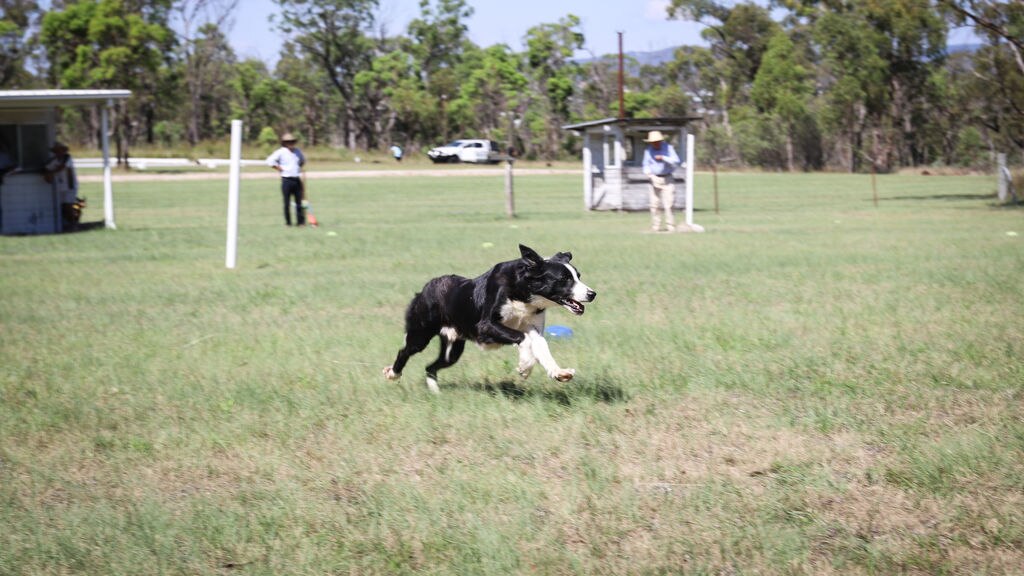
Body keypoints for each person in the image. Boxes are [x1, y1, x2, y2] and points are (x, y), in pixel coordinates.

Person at [641, 130, 681, 233]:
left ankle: (671, 226)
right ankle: (656, 227)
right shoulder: (648, 151)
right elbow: (645, 165)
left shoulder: (668, 148)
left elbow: (676, 160)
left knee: (669, 203)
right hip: (654, 178)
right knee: (654, 204)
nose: (655, 144)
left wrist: (663, 157)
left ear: (660, 141)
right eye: (653, 142)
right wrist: (649, 174)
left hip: (667, 178)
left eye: (656, 141)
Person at [266, 133, 306, 226]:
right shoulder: (281, 152)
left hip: (296, 179)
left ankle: (300, 222)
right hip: (286, 180)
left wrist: (298, 167)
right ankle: (288, 223)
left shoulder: (298, 151)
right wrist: (278, 168)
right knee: (286, 203)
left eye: (292, 142)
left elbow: (302, 160)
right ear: (285, 143)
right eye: (288, 142)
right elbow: (269, 161)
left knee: (299, 202)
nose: (290, 144)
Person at [43, 142, 80, 231]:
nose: (58, 152)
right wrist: (46, 175)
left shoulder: (67, 157)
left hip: (70, 185)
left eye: (60, 150)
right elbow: (46, 168)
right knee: (63, 206)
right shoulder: (55, 160)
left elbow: (62, 167)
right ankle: (66, 224)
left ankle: (73, 224)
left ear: (63, 151)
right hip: (61, 186)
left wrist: (51, 173)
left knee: (68, 205)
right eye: (56, 151)